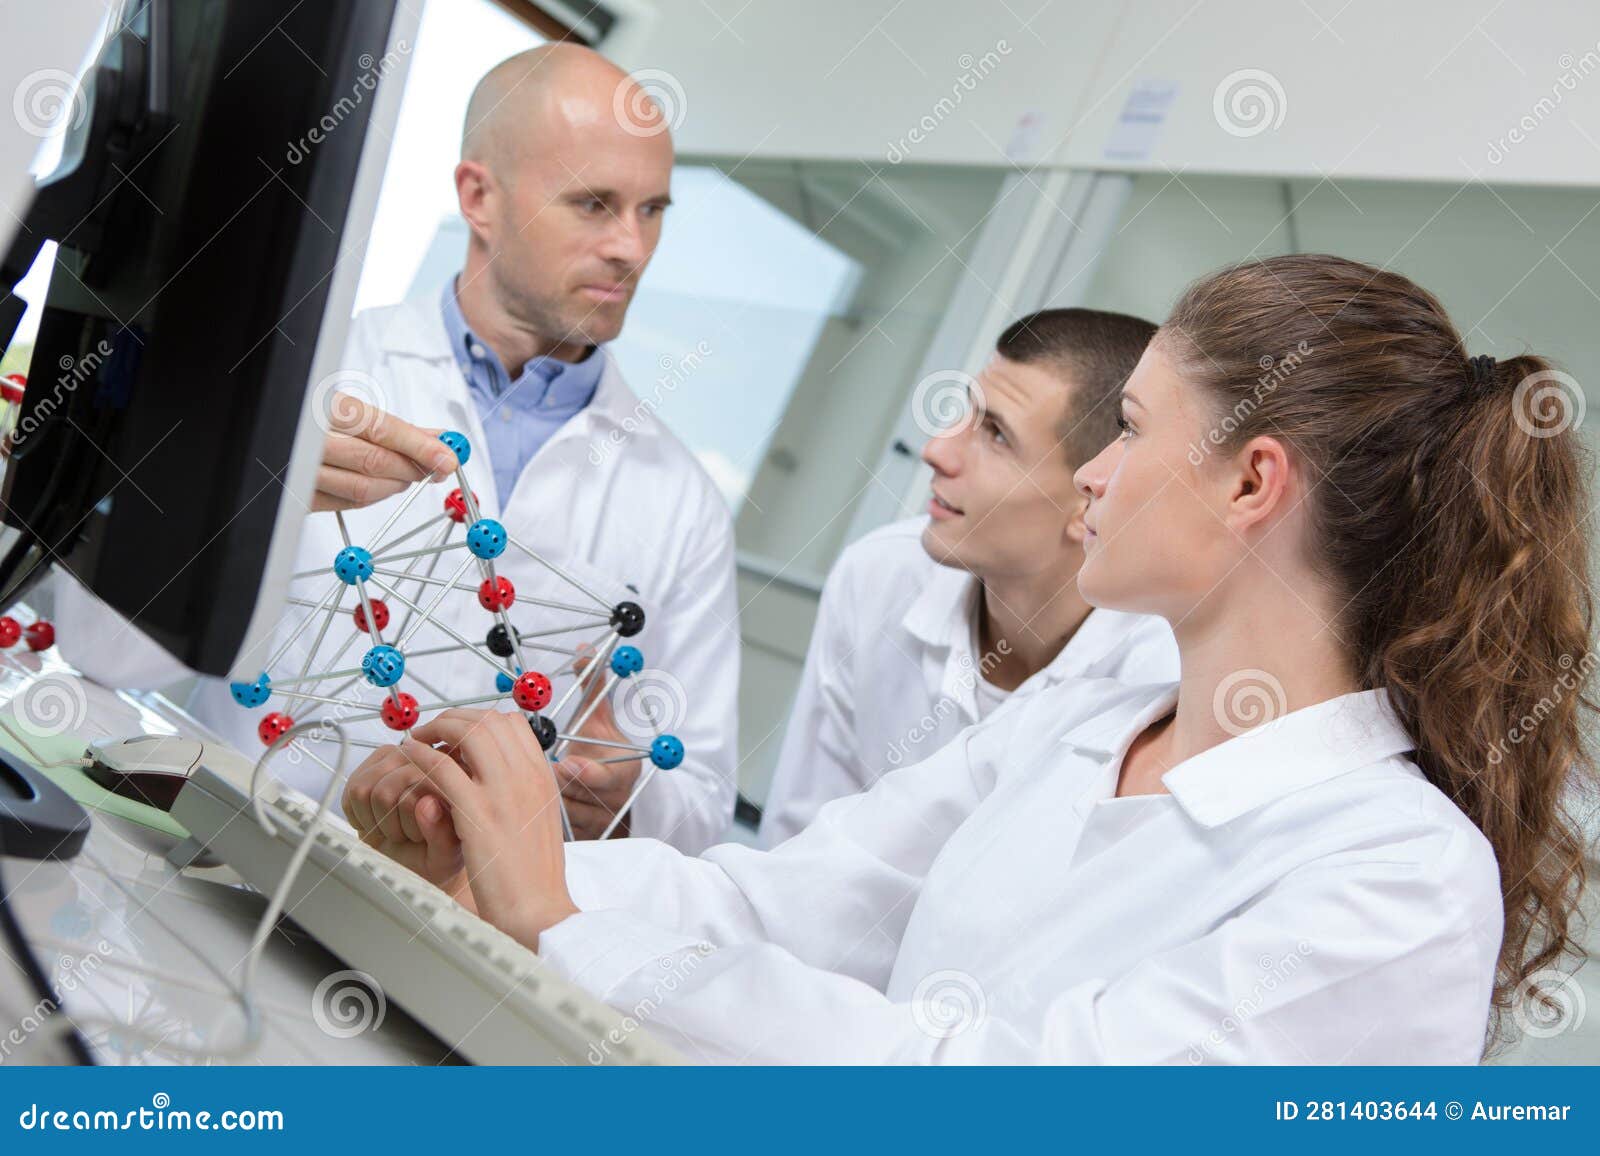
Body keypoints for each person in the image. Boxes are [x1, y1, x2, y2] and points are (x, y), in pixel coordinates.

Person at [342, 254, 1594, 1063]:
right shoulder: (1083, 722)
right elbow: (784, 902)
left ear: (1252, 483)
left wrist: (555, 918)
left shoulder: (1398, 877)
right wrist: (493, 850)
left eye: (1135, 430)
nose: (1095, 471)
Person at [56, 44, 740, 853]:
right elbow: (99, 653)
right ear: (478, 196)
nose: (632, 248)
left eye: (652, 209)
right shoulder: (304, 380)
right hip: (218, 867)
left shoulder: (683, 503)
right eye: (594, 204)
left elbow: (701, 805)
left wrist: (628, 803)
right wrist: (240, 494)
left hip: (458, 938)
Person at [760, 308, 1177, 846]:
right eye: (964, 413)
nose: (936, 451)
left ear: (1092, 495)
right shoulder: (879, 577)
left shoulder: (1159, 676)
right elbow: (798, 844)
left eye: (996, 435)